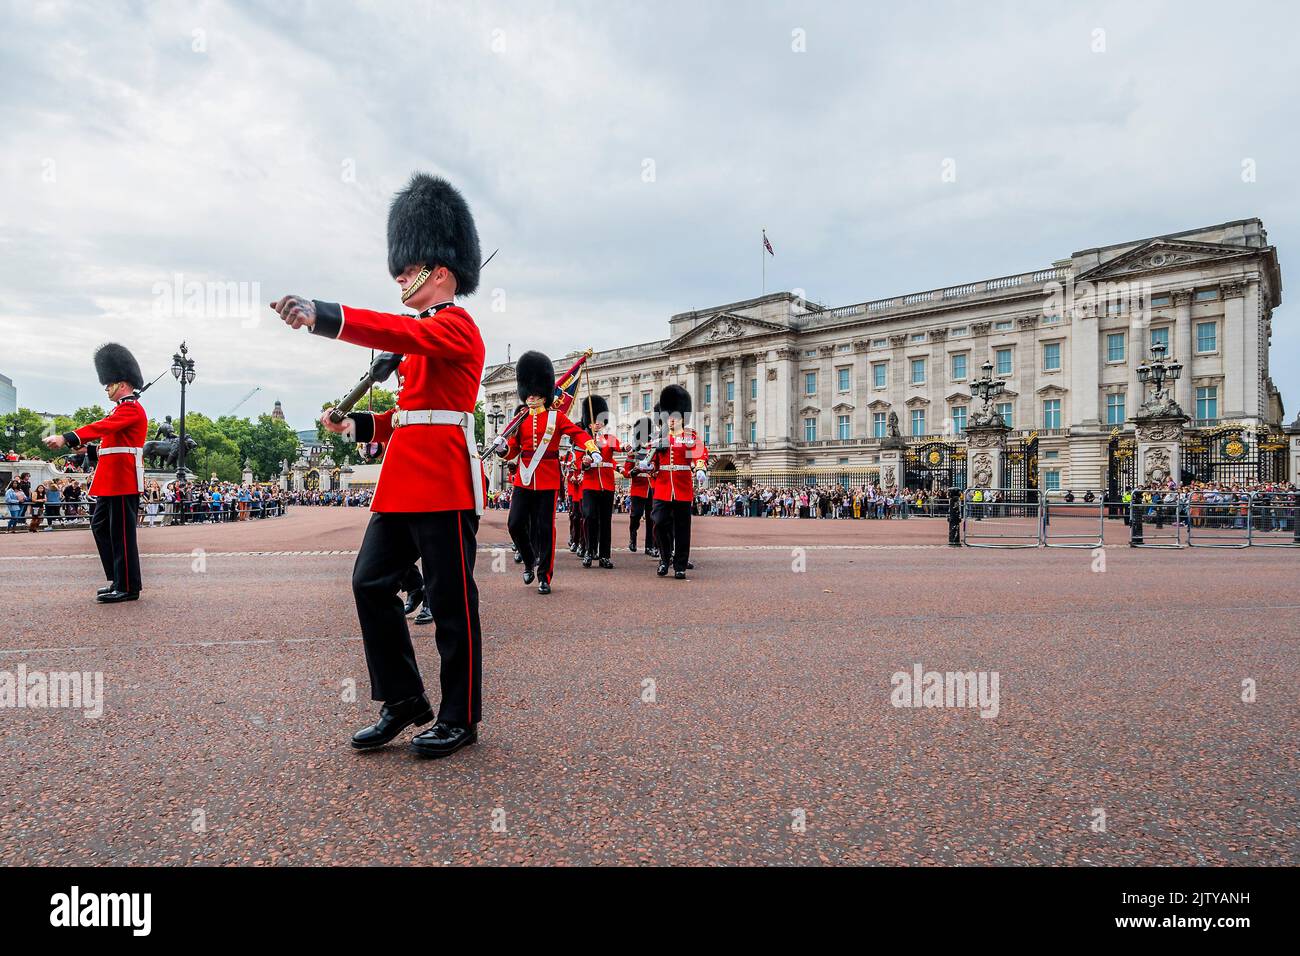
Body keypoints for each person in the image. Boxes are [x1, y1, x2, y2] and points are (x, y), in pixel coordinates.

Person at [274, 172, 485, 760]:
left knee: (450, 603)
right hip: (402, 484)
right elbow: (406, 417)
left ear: (439, 270)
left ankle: (459, 715)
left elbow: (392, 334)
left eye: (408, 266)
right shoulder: (420, 339)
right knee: (369, 583)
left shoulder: (456, 327)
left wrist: (323, 315)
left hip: (444, 482)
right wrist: (357, 425)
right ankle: (404, 700)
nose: (398, 276)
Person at [43, 343, 148, 602]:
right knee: (101, 526)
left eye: (109, 384)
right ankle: (117, 578)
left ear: (121, 383)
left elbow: (103, 427)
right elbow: (112, 446)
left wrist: (68, 437)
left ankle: (128, 586)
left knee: (121, 533)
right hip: (111, 479)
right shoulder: (122, 409)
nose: (106, 389)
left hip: (122, 479)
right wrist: (87, 451)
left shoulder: (131, 408)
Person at [493, 350, 595, 594]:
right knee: (515, 524)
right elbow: (514, 450)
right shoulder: (520, 419)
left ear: (543, 392)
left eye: (535, 391)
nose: (531, 396)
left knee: (544, 528)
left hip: (547, 479)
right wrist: (501, 450)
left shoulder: (556, 418)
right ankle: (529, 560)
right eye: (528, 391)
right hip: (524, 478)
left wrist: (592, 447)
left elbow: (577, 434)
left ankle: (544, 576)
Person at [648, 384, 708, 579]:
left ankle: (680, 565)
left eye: (674, 416)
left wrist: (700, 468)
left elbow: (700, 453)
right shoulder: (659, 437)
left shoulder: (690, 436)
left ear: (683, 417)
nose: (670, 420)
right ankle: (665, 559)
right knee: (659, 522)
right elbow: (651, 460)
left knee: (682, 528)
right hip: (663, 488)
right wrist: (647, 465)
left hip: (682, 487)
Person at [578, 394, 620, 569]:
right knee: (590, 518)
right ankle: (589, 551)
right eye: (595, 421)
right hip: (590, 484)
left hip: (607, 485)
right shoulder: (584, 440)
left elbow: (619, 446)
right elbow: (578, 461)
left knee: (605, 521)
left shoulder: (609, 439)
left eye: (600, 420)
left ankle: (604, 556)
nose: (598, 423)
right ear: (589, 423)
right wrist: (585, 463)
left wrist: (626, 447)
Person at [621, 416, 655, 553]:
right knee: (636, 515)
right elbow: (626, 472)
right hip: (638, 488)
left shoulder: (653, 449)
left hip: (652, 487)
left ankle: (649, 546)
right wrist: (633, 472)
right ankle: (633, 537)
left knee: (652, 518)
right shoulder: (633, 452)